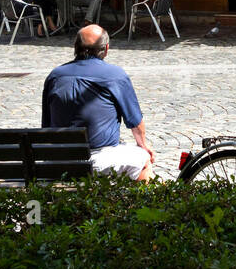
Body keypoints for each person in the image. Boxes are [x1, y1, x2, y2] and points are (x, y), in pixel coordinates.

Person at [41, 25, 155, 181]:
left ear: (75, 47)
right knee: (143, 161)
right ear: (106, 49)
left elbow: (46, 124)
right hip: (97, 159)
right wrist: (144, 146)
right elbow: (136, 123)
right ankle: (137, 205)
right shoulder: (115, 75)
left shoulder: (55, 76)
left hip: (59, 160)